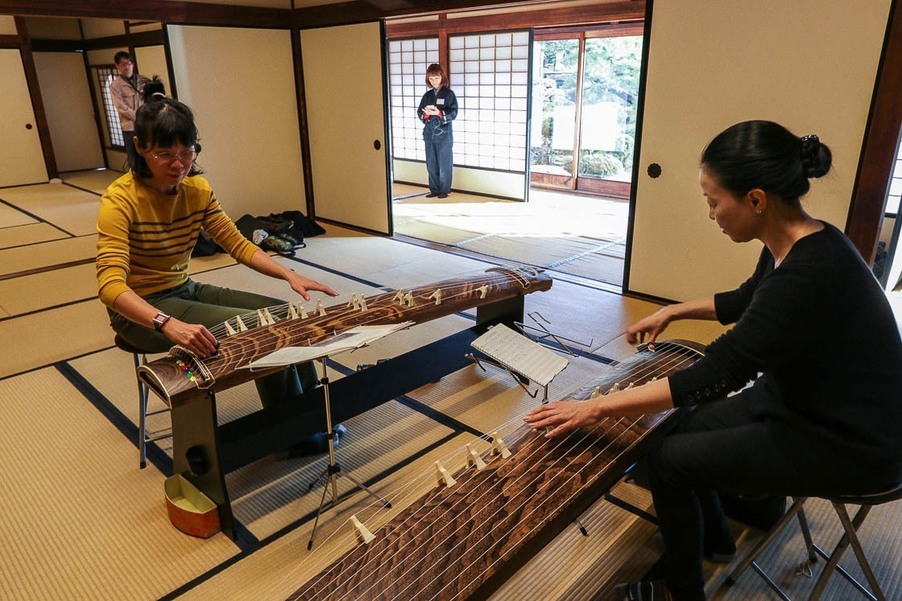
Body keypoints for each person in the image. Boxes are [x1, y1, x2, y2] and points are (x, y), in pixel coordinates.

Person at [525, 120, 902, 601]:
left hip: (851, 442)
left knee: (665, 459)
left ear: (756, 200)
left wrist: (594, 407)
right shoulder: (805, 239)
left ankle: (680, 591)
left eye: (713, 201)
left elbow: (720, 372)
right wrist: (672, 311)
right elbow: (749, 299)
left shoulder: (808, 275)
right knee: (679, 426)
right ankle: (716, 538)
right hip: (807, 400)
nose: (710, 214)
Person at [96, 91, 341, 453]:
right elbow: (110, 286)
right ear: (140, 147)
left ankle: (311, 412)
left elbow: (237, 244)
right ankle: (289, 433)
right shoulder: (120, 199)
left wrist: (288, 274)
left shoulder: (198, 190)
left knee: (283, 312)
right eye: (164, 154)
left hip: (184, 289)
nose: (178, 164)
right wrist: (166, 323)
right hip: (141, 313)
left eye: (187, 151)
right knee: (260, 326)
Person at [416, 63, 458, 199]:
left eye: (436, 78)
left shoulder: (449, 94)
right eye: (431, 78)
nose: (434, 81)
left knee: (444, 162)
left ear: (442, 77)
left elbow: (454, 113)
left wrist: (440, 112)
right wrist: (427, 114)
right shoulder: (427, 95)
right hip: (429, 133)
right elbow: (420, 112)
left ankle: (444, 190)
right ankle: (434, 189)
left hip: (444, 134)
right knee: (431, 161)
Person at [109, 51, 150, 171]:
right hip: (130, 126)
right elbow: (120, 106)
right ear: (117, 66)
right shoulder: (115, 85)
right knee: (133, 155)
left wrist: (147, 116)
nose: (127, 66)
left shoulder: (143, 80)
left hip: (146, 124)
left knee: (148, 151)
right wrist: (138, 116)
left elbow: (150, 99)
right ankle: (136, 178)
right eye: (123, 64)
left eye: (129, 63)